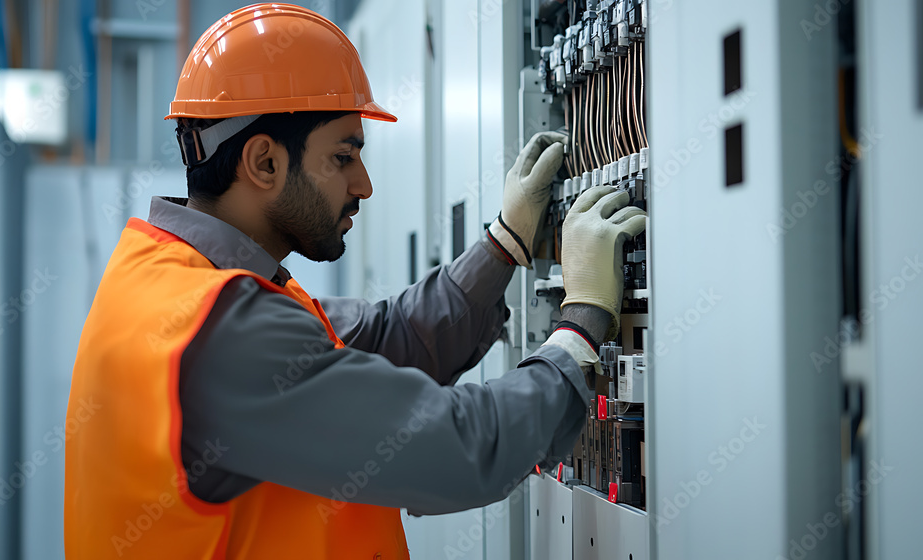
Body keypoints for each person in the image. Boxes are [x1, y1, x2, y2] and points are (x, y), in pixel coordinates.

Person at [64, 4, 646, 559]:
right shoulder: (217, 331)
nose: (364, 184)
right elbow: (461, 449)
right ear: (264, 163)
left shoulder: (181, 285)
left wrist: (504, 244)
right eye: (343, 156)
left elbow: (388, 339)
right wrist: (583, 322)